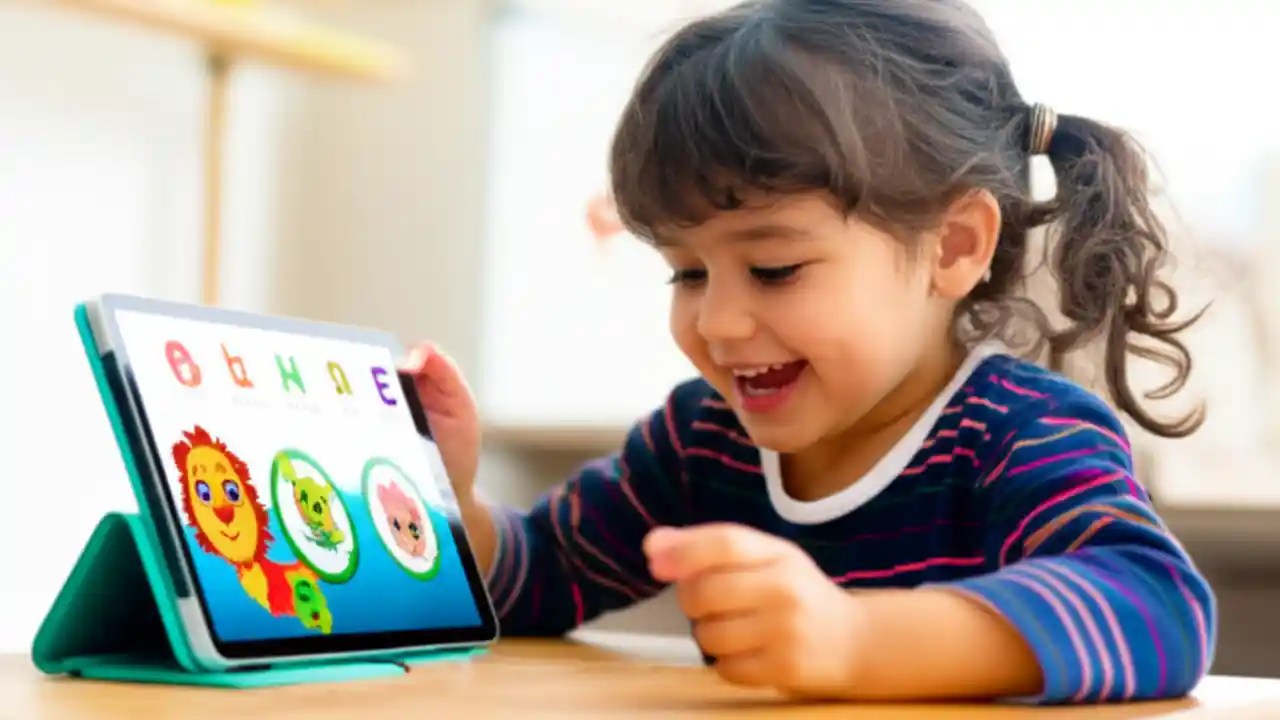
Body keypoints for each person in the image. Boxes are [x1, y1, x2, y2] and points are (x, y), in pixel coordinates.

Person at [406, 0, 1216, 705]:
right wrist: (459, 506)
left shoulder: (1017, 433)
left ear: (954, 246)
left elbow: (1158, 607)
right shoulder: (701, 441)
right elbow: (543, 575)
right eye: (687, 272)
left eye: (774, 269)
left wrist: (856, 641)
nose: (718, 322)